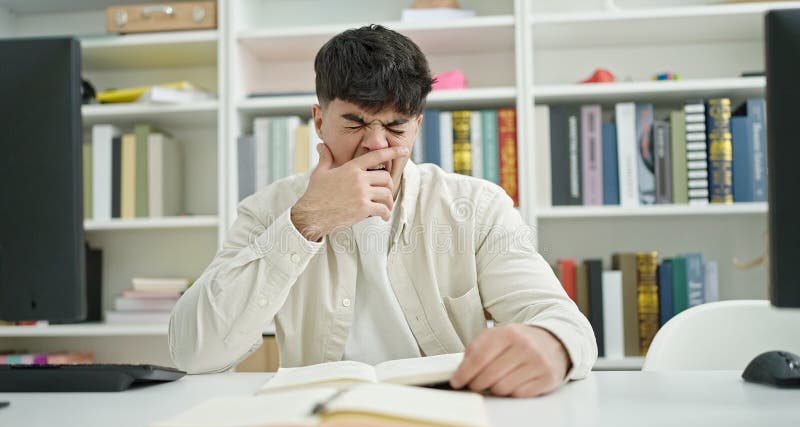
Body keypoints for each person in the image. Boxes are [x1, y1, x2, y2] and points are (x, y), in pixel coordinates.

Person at [170, 24, 597, 398]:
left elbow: (563, 322)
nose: (376, 144)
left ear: (417, 125)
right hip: (317, 423)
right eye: (354, 123)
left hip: (446, 417)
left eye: (395, 126)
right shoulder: (267, 210)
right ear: (319, 122)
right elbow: (194, 351)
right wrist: (306, 223)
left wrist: (552, 344)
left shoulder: (477, 207)